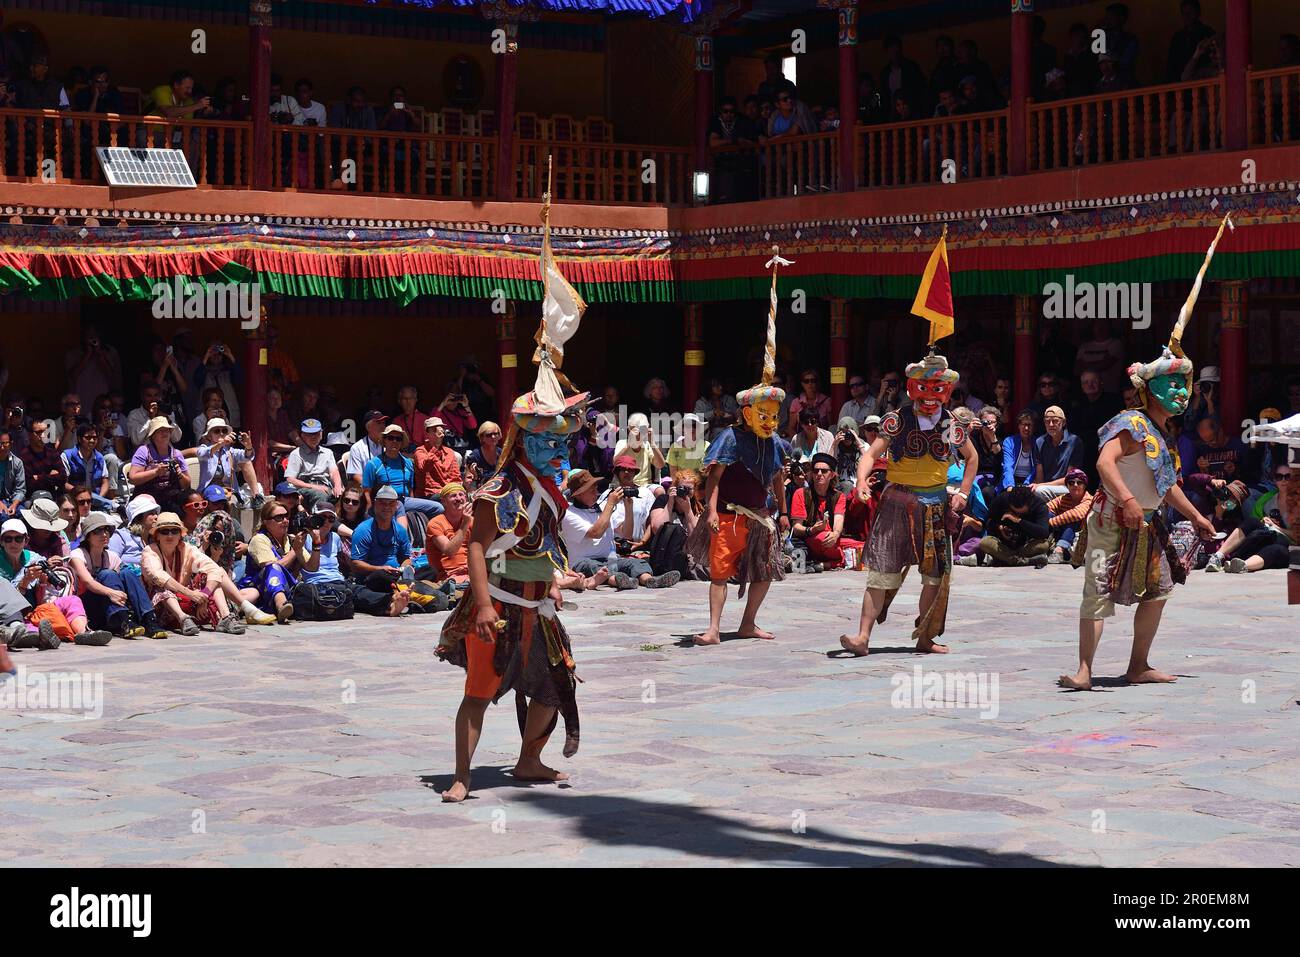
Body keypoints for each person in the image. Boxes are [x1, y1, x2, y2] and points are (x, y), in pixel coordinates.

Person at [1060, 220, 1227, 691]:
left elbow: (1166, 483)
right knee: (1096, 591)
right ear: (1149, 387)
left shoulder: (1163, 436)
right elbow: (1104, 464)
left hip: (1150, 523)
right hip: (1112, 518)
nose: (1179, 392)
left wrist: (1195, 517)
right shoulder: (1130, 423)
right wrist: (1129, 503)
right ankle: (1085, 670)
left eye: (1184, 385)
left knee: (1158, 592)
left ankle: (1138, 664)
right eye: (1171, 383)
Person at [434, 329, 588, 803]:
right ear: (523, 441)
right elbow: (477, 548)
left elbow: (544, 545)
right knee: (478, 692)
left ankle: (528, 760)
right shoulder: (500, 491)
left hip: (539, 609)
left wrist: (556, 582)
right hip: (497, 606)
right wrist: (482, 606)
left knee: (552, 687)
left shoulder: (550, 491)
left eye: (564, 446)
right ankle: (462, 775)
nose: (559, 455)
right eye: (550, 445)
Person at [840, 350, 977, 657]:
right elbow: (870, 455)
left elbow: (972, 458)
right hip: (897, 502)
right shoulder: (897, 420)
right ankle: (862, 636)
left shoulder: (949, 423)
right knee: (881, 569)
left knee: (934, 576)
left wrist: (963, 493)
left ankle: (925, 636)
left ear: (947, 390)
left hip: (936, 505)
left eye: (937, 387)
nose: (930, 395)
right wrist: (861, 481)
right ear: (913, 387)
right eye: (924, 387)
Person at [687, 257, 792, 646]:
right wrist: (711, 510)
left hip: (762, 516)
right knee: (719, 572)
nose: (769, 418)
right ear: (747, 412)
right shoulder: (730, 438)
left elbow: (778, 477)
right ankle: (713, 628)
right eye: (762, 413)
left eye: (774, 413)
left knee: (764, 571)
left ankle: (748, 622)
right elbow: (713, 476)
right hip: (729, 517)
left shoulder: (776, 443)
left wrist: (781, 513)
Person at [563, 468, 678, 590]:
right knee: (594, 567)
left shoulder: (601, 510)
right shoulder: (570, 514)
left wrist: (629, 508)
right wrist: (610, 504)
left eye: (596, 489)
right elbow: (596, 533)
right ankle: (618, 580)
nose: (596, 493)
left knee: (635, 563)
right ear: (580, 494)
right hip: (582, 562)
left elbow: (627, 534)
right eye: (592, 490)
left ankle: (649, 580)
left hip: (610, 559)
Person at [142, 511, 245, 635]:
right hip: (161, 607)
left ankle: (225, 617)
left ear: (180, 535)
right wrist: (190, 594)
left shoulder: (187, 548)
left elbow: (212, 568)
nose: (170, 536)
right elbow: (159, 576)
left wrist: (204, 594)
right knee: (161, 587)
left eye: (174, 531)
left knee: (212, 574)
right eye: (164, 532)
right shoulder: (149, 551)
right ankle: (183, 619)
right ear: (157, 536)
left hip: (186, 599)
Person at [68, 510, 163, 638]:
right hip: (88, 607)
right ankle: (123, 621)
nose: (104, 534)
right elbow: (88, 582)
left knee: (127, 573)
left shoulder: (111, 556)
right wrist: (110, 592)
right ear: (88, 536)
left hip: (108, 606)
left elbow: (127, 581)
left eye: (106, 530)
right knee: (108, 574)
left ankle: (149, 619)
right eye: (98, 531)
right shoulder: (77, 554)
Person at [1205, 464, 1295, 573]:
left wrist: (1278, 528)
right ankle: (1218, 557)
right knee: (1253, 522)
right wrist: (1265, 522)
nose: (1283, 480)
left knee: (1276, 550)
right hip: (1269, 538)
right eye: (1279, 477)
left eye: (1288, 476)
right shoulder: (1266, 499)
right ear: (1274, 480)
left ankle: (1243, 565)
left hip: (1291, 548)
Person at [362, 424, 441, 534]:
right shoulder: (373, 464)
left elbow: (410, 487)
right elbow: (367, 490)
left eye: (398, 439)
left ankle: (431, 538)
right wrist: (369, 508)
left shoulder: (408, 463)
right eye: (390, 438)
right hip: (384, 501)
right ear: (384, 441)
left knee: (438, 508)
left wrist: (413, 504)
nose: (394, 441)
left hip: (404, 500)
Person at [791, 452, 863, 570]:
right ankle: (838, 561)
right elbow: (796, 528)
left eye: (824, 471)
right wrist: (812, 529)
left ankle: (824, 565)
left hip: (832, 539)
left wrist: (835, 534)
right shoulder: (801, 494)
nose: (819, 474)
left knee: (862, 547)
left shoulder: (838, 496)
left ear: (832, 475)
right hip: (810, 537)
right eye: (815, 471)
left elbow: (838, 522)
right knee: (823, 538)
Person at [240, 500, 308, 623]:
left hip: (288, 588)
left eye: (286, 516)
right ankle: (281, 604)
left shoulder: (291, 540)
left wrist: (317, 543)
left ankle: (283, 606)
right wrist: (295, 551)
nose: (285, 520)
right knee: (273, 567)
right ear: (266, 522)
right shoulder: (259, 539)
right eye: (279, 517)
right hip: (258, 587)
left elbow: (312, 567)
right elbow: (275, 567)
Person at [960, 484, 1054, 568]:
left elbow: (1043, 532)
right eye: (1014, 511)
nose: (1017, 513)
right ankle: (1024, 561)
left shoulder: (1040, 506)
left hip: (1025, 546)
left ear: (1029, 504)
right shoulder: (1002, 500)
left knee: (1043, 545)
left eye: (1020, 512)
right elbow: (988, 521)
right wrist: (1000, 528)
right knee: (984, 543)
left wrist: (1019, 521)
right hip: (1004, 545)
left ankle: (1006, 559)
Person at [127, 416, 189, 509]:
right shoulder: (144, 451)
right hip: (147, 500)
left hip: (171, 500)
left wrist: (180, 475)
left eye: (166, 430)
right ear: (153, 435)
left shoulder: (177, 454)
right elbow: (133, 478)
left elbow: (187, 484)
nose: (164, 433)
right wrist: (155, 472)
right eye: (160, 430)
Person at [284, 418, 343, 512]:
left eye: (316, 433)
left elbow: (333, 471)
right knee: (320, 495)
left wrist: (338, 486)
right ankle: (317, 522)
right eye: (309, 434)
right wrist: (315, 487)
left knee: (348, 495)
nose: (313, 437)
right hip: (306, 487)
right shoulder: (296, 454)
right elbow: (290, 479)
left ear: (321, 434)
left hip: (325, 486)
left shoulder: (328, 452)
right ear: (303, 436)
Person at [196, 418, 260, 501]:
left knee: (232, 499)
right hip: (209, 490)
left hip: (228, 491)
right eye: (217, 431)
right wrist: (221, 443)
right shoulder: (203, 448)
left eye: (224, 431)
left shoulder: (229, 452)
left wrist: (248, 447)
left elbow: (246, 456)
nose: (221, 433)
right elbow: (204, 454)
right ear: (209, 435)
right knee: (218, 497)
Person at [1032, 406, 1082, 500]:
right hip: (1045, 487)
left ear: (1063, 422)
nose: (1050, 424)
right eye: (1047, 421)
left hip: (1067, 486)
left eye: (1055, 421)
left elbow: (1070, 478)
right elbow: (1039, 475)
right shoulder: (1040, 442)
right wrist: (1037, 486)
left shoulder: (1075, 442)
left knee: (1039, 491)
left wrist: (1041, 486)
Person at [1046, 469, 1094, 563]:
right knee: (1046, 513)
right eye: (1071, 483)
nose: (1075, 485)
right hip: (1061, 531)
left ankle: (1060, 551)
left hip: (1079, 535)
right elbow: (1047, 507)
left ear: (1084, 486)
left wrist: (1049, 523)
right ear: (1067, 486)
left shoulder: (1088, 499)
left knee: (1072, 519)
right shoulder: (1064, 498)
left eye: (1079, 482)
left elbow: (1076, 514)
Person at [413, 417, 463, 501]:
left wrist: (458, 491)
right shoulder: (420, 451)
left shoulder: (449, 452)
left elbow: (456, 477)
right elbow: (424, 467)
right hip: (430, 494)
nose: (439, 431)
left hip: (449, 492)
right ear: (427, 433)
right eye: (434, 429)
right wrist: (435, 446)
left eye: (441, 428)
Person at [613, 413, 665, 488]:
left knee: (659, 490)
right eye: (635, 430)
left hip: (646, 486)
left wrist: (652, 443)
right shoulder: (622, 443)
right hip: (626, 485)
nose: (639, 435)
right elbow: (615, 463)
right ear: (629, 430)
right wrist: (629, 444)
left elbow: (660, 465)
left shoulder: (647, 444)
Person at [19, 420, 65, 499]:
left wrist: (39, 477)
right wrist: (50, 476)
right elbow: (29, 483)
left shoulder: (53, 453)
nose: (43, 435)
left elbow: (63, 478)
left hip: (53, 496)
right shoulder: (24, 456)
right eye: (38, 432)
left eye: (45, 432)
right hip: (31, 498)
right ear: (29, 434)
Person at [1000, 410, 1040, 493]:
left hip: (1030, 481)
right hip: (1012, 479)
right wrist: (1010, 486)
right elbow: (1008, 466)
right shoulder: (1009, 442)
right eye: (1024, 424)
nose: (1026, 428)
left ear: (1034, 427)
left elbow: (1037, 468)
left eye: (1029, 425)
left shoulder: (1038, 443)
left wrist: (1026, 485)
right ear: (1018, 425)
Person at [787, 369, 832, 436]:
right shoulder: (796, 402)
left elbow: (831, 426)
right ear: (802, 384)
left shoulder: (826, 401)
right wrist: (797, 443)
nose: (810, 383)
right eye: (806, 381)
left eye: (813, 381)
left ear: (817, 383)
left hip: (823, 439)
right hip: (802, 440)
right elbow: (791, 428)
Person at [0, 430, 27, 518]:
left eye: (5, 444)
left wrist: (14, 504)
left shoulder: (17, 463)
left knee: (22, 515)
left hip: (11, 500)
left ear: (11, 444)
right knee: (3, 516)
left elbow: (20, 489)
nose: (2, 447)